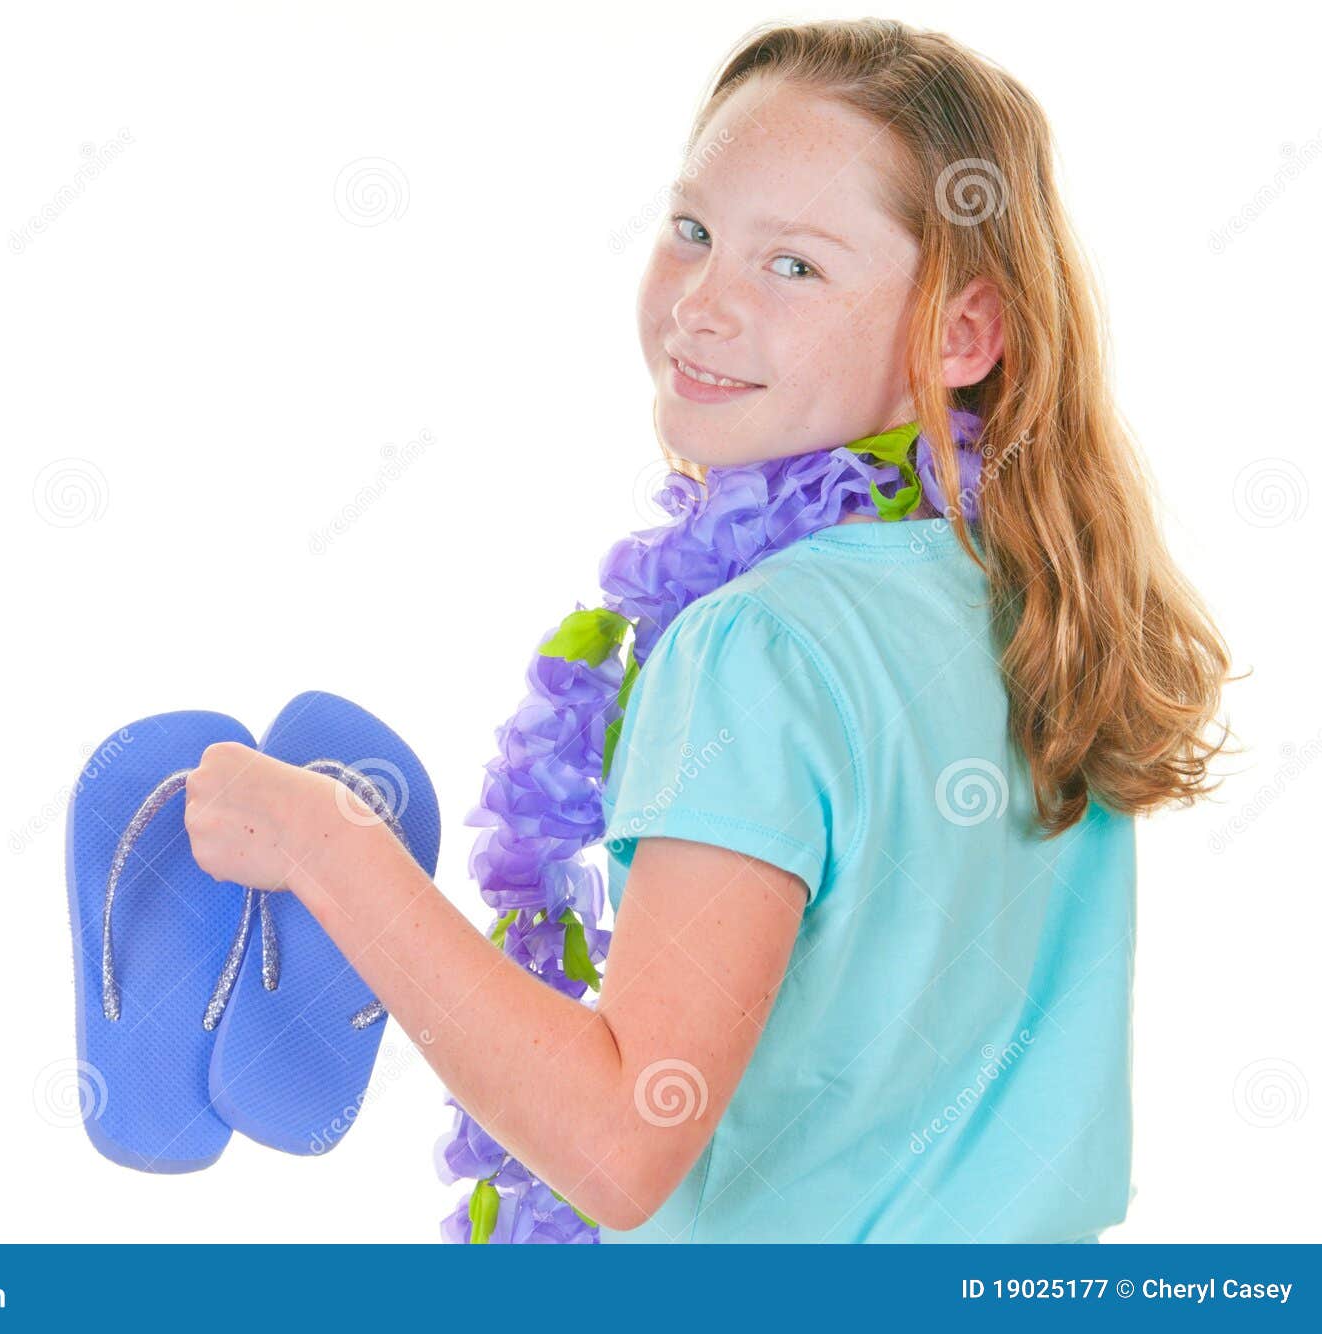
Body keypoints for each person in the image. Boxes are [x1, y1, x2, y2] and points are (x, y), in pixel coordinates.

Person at [182, 18, 1235, 1243]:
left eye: (793, 266)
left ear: (961, 332)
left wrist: (329, 847)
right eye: (693, 231)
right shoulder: (1030, 595)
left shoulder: (759, 647)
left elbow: (622, 1139)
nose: (704, 303)